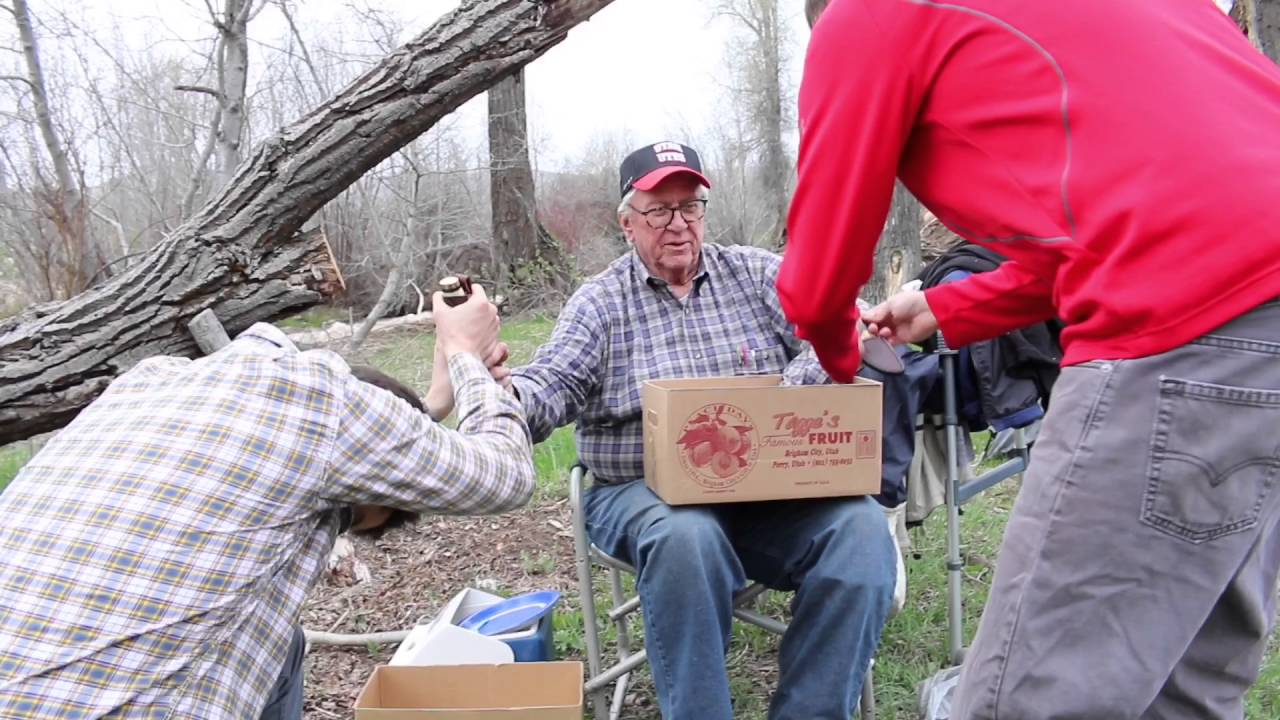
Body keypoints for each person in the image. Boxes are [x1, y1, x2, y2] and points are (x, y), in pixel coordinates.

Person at [783, 1, 1280, 717]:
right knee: (1182, 689)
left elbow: (815, 280)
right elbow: (1139, 213)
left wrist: (841, 358)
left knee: (1028, 698)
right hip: (1251, 325)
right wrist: (946, 309)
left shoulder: (868, 15)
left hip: (1183, 327)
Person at [434, 141, 912, 720]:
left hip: (765, 489)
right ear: (627, 221)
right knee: (687, 536)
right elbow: (552, 386)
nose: (678, 224)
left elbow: (830, 331)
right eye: (659, 210)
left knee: (861, 532)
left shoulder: (757, 274)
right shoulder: (601, 304)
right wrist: (498, 393)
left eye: (690, 206)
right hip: (642, 493)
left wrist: (787, 391)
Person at [0, 286, 535, 719]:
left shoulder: (152, 384)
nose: (340, 522)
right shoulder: (322, 402)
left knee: (282, 647)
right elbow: (506, 475)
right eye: (347, 515)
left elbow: (343, 439)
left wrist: (432, 406)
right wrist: (465, 354)